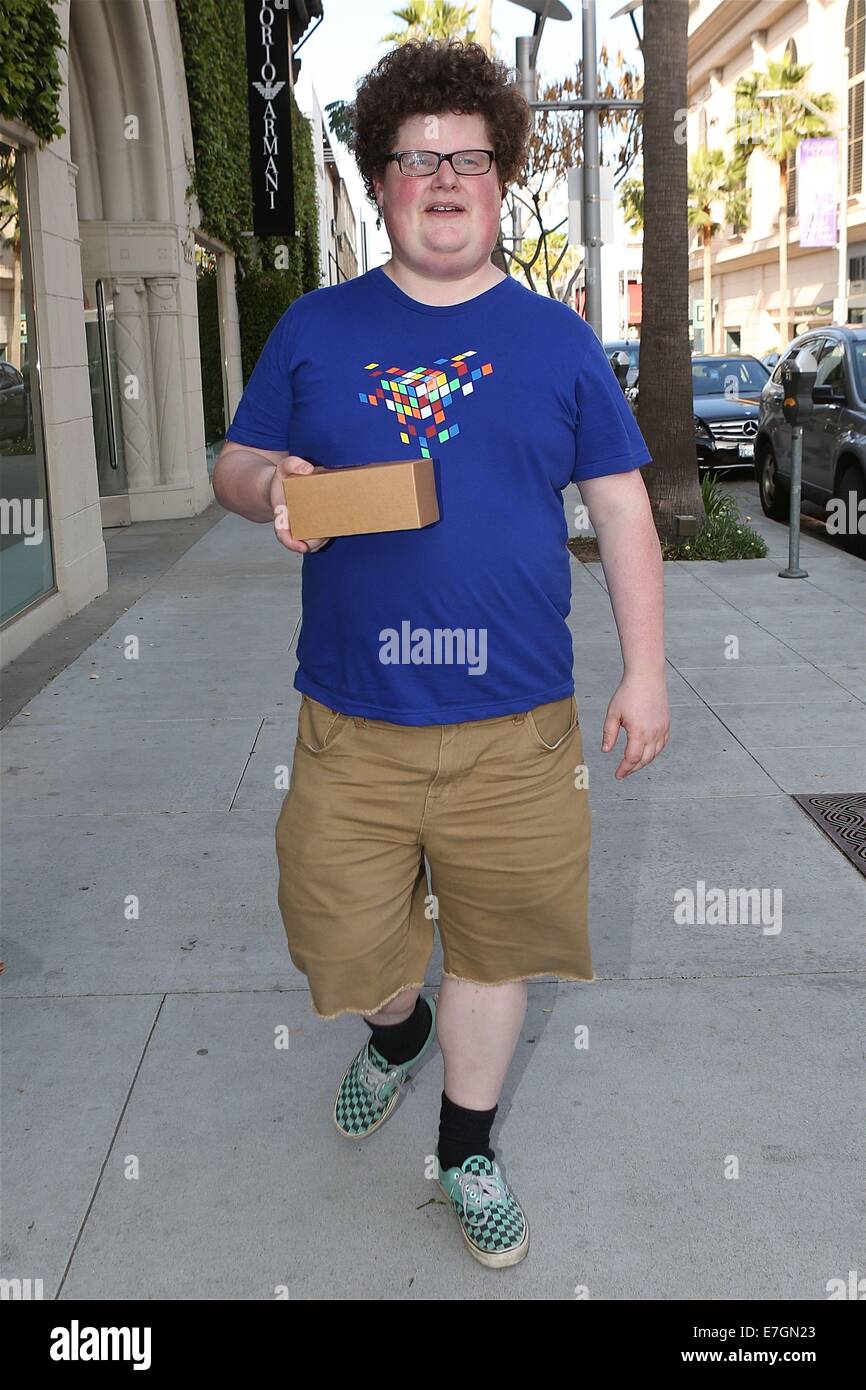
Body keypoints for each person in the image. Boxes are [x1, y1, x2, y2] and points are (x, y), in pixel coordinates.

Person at [213, 38, 669, 1270]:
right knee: (343, 940)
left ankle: (466, 1145)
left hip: (519, 729)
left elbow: (621, 507)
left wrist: (643, 668)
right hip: (350, 724)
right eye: (416, 159)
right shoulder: (313, 327)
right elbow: (232, 464)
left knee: (498, 945)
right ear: (380, 183)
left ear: (503, 175)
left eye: (468, 155)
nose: (445, 177)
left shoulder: (559, 341)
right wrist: (270, 487)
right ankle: (395, 1028)